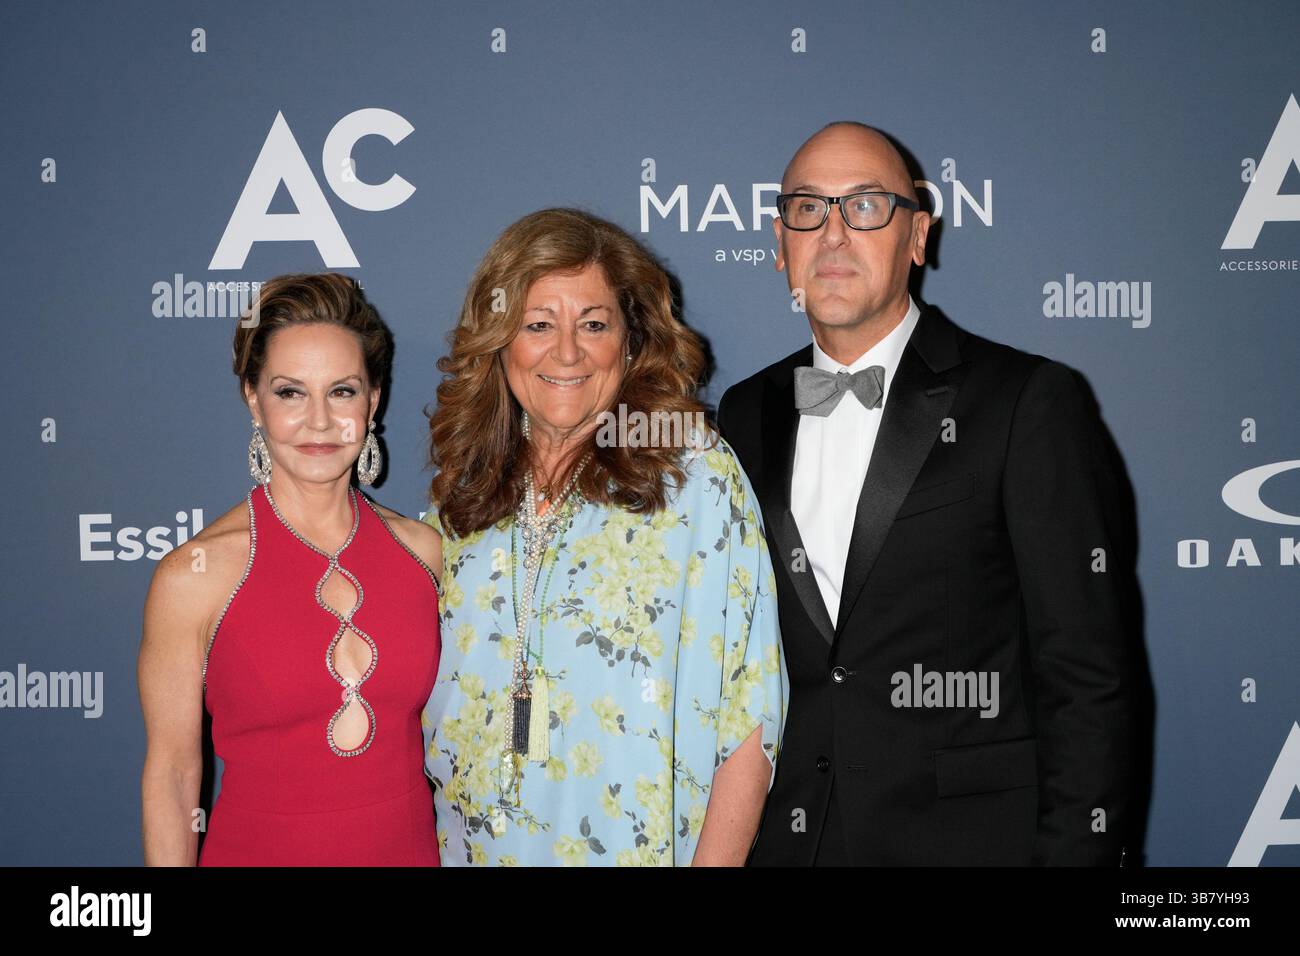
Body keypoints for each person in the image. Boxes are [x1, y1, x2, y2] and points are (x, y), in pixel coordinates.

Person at [718, 122, 1143, 865]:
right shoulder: (747, 410)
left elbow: (1087, 675)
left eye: (867, 207)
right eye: (809, 209)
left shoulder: (1026, 402)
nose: (835, 233)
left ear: (918, 237)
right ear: (780, 242)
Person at [421, 207, 788, 866]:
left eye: (593, 324)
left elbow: (750, 711)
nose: (567, 352)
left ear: (633, 340)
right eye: (538, 325)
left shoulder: (693, 475)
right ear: (500, 341)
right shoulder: (460, 499)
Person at [138, 273, 443, 866]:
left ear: (373, 401)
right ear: (253, 398)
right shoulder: (194, 576)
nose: (321, 422)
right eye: (290, 392)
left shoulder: (423, 553)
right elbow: (174, 778)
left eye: (343, 391)